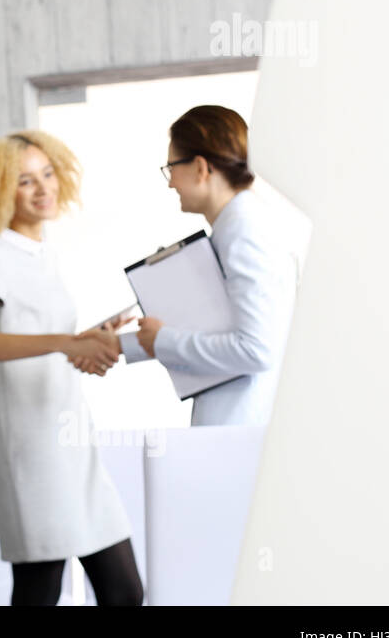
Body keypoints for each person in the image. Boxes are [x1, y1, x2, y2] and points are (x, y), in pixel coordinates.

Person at [0, 130, 144, 606]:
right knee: (41, 587)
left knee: (124, 592)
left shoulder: (45, 253)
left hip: (71, 435)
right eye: (25, 180)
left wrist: (90, 336)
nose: (43, 188)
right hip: (30, 444)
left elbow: (40, 337)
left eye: (46, 174)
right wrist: (67, 341)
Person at [119, 105, 297, 426]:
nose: (171, 182)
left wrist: (162, 340)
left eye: (172, 166)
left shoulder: (244, 231)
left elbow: (256, 349)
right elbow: (214, 327)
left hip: (242, 425)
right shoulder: (238, 225)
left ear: (200, 167)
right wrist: (121, 344)